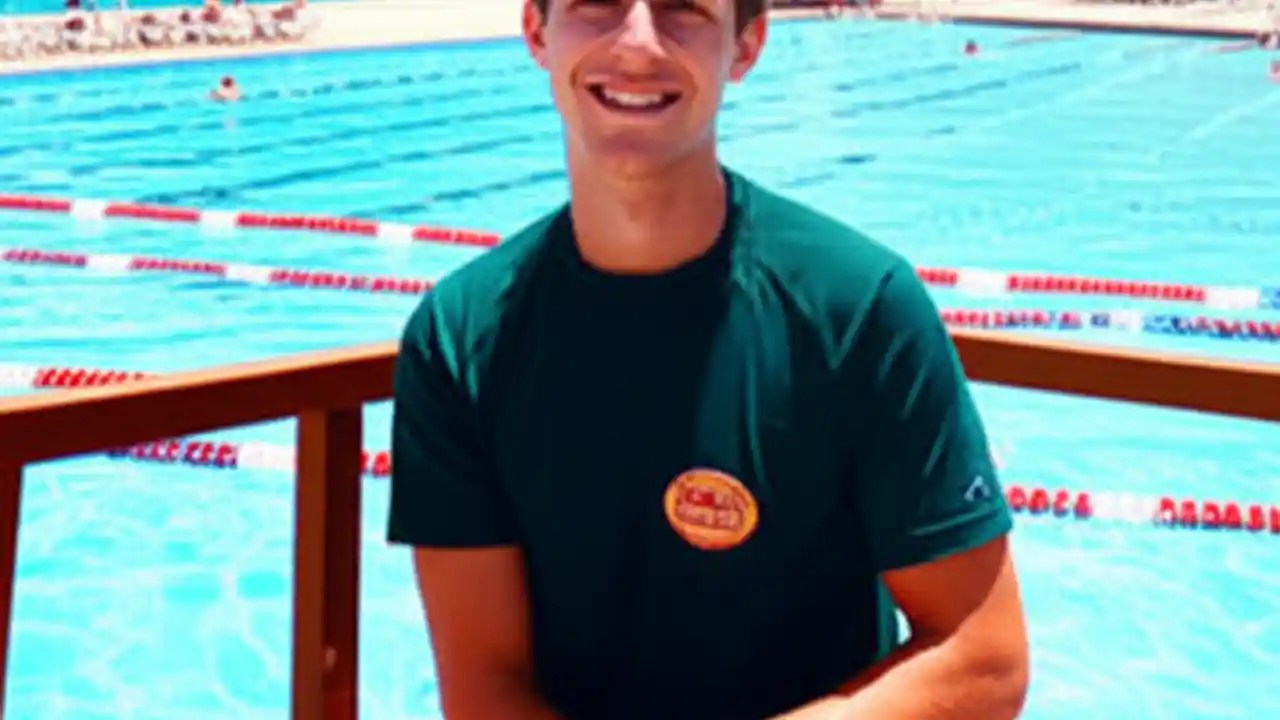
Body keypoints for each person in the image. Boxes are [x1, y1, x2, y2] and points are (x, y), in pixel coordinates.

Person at [387, 1, 1029, 719]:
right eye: (596, 4)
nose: (636, 43)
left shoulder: (860, 308)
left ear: (746, 44)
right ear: (538, 31)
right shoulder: (459, 338)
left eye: (682, 9)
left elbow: (982, 656)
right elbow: (485, 686)